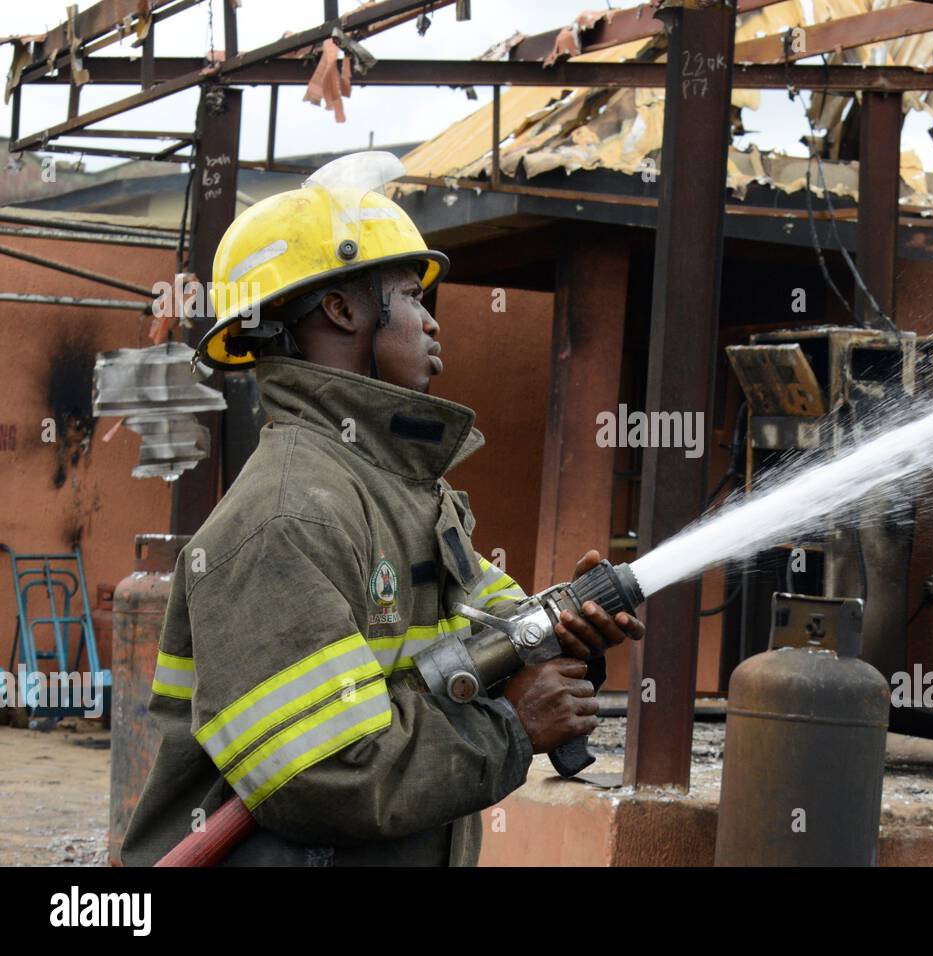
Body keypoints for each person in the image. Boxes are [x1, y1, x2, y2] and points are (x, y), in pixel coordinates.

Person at [121, 153, 644, 866]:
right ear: (343, 309)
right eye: (412, 296)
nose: (433, 325)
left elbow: (486, 639)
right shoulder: (285, 518)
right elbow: (324, 775)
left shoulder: (406, 493)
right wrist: (515, 727)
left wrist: (561, 628)